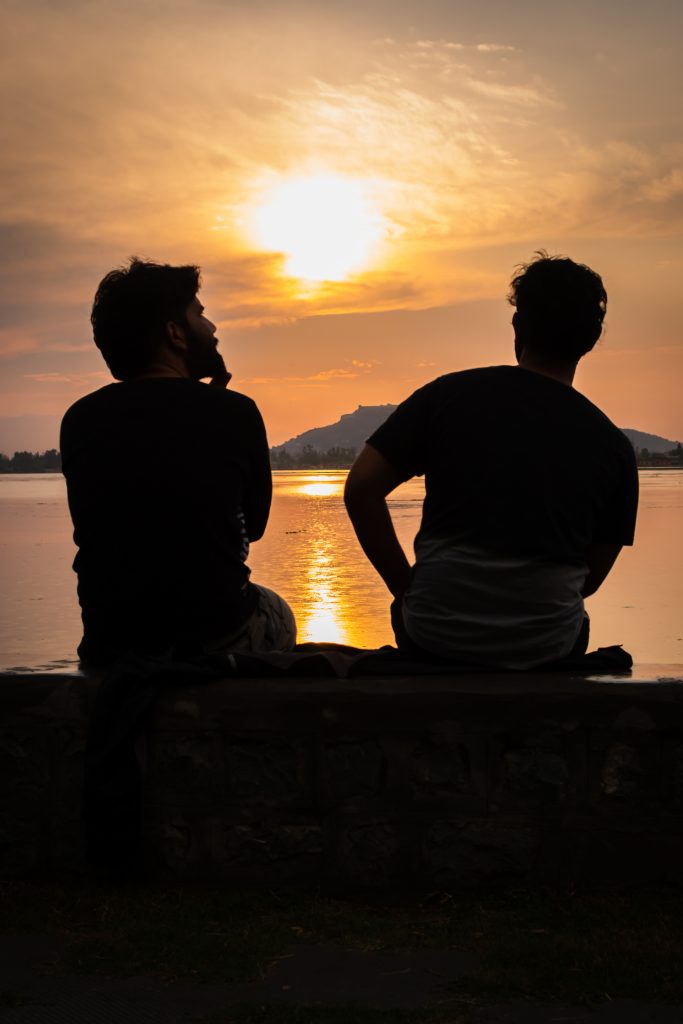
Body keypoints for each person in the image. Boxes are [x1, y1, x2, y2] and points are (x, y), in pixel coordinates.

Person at [344, 252, 638, 669]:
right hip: (546, 647)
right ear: (590, 340)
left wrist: (404, 587)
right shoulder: (614, 448)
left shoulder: (447, 396)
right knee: (578, 617)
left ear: (518, 325)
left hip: (433, 636)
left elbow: (361, 489)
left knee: (407, 613)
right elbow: (587, 582)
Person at [61, 257, 296, 666]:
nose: (213, 327)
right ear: (175, 334)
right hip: (214, 638)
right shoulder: (235, 413)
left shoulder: (81, 419)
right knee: (278, 614)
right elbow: (251, 530)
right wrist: (215, 407)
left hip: (110, 644)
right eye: (200, 314)